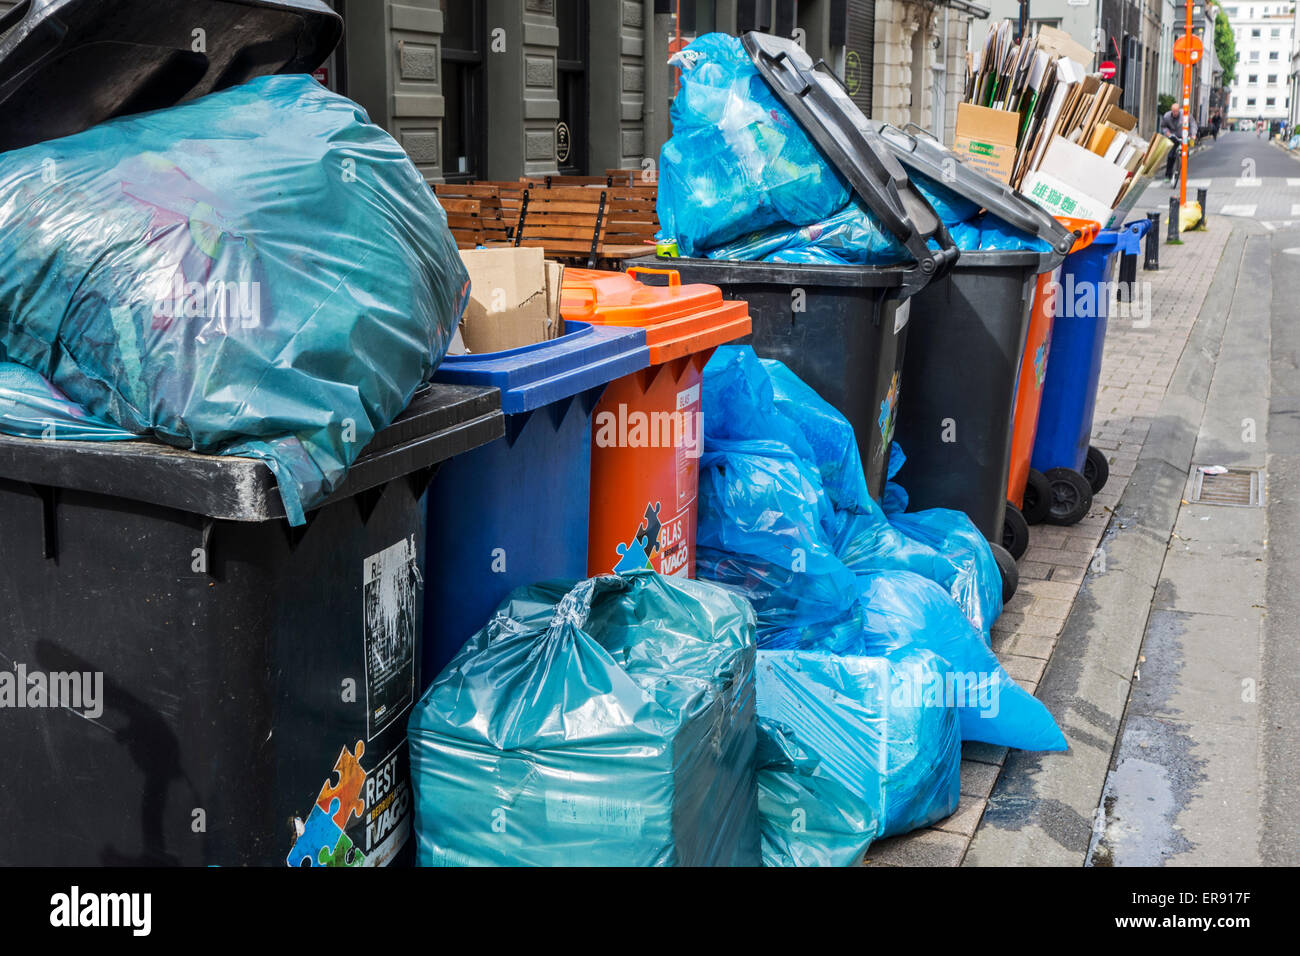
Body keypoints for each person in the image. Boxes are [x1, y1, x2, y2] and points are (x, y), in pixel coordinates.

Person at [1161, 103, 1197, 183]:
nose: (1175, 113)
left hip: (1184, 136)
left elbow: (1192, 124)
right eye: (1173, 111)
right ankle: (1168, 175)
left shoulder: (1185, 115)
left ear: (1179, 110)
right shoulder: (1167, 116)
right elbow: (1163, 126)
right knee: (1171, 155)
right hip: (1173, 136)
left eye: (1176, 111)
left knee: (1185, 154)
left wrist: (1193, 134)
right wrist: (1167, 133)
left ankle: (1181, 169)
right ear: (1171, 110)